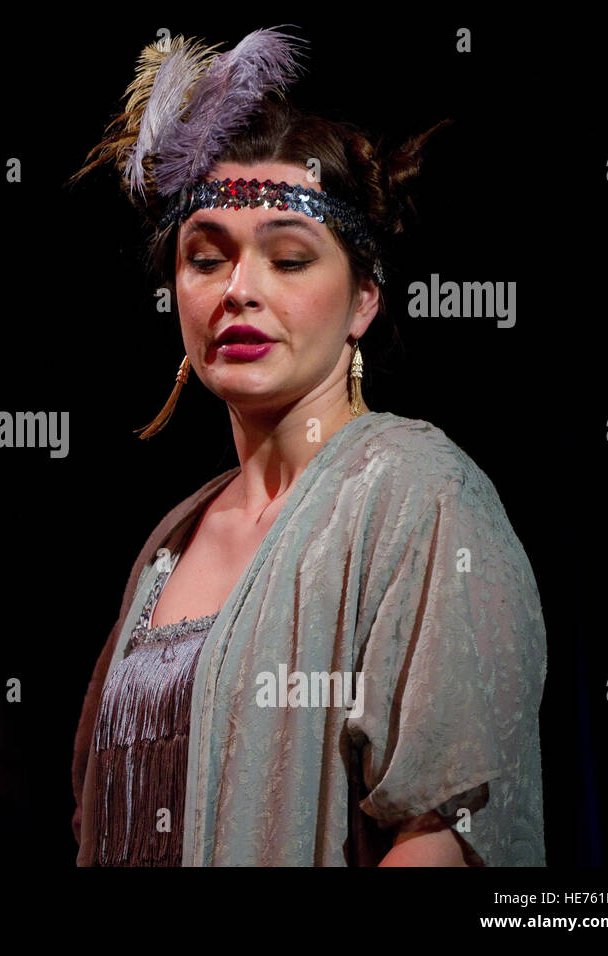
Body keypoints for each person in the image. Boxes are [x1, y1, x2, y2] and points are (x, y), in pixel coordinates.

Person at [67, 28, 546, 866]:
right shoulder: (168, 544)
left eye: (289, 259)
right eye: (205, 258)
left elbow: (446, 832)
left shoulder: (418, 495)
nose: (239, 290)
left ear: (363, 298)